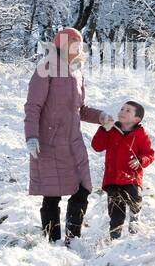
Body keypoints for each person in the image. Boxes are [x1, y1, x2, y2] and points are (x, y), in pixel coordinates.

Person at [24, 27, 112, 244]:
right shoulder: (46, 68)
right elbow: (33, 107)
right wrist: (31, 137)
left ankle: (73, 239)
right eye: (74, 43)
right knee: (52, 194)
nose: (78, 48)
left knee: (82, 189)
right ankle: (51, 241)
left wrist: (100, 116)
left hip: (73, 142)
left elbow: (80, 109)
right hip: (49, 142)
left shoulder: (76, 71)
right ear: (62, 44)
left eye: (79, 44)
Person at [90, 100, 155, 239]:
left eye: (128, 110)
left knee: (134, 197)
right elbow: (97, 146)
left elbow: (149, 154)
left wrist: (140, 160)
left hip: (131, 177)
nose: (122, 112)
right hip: (112, 178)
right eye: (122, 109)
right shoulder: (111, 130)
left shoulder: (140, 134)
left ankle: (135, 217)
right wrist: (103, 129)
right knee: (115, 211)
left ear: (137, 119)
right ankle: (115, 236)